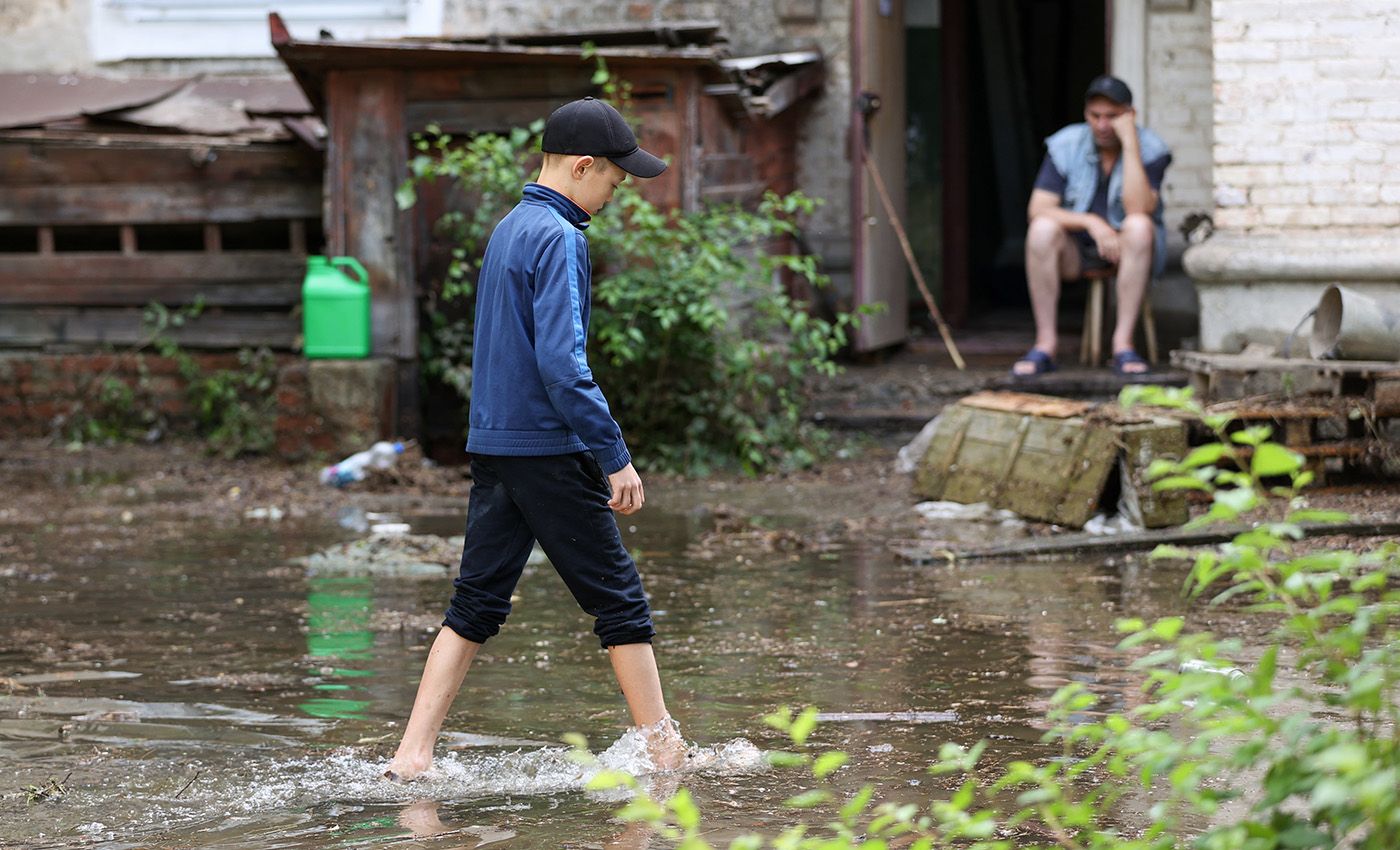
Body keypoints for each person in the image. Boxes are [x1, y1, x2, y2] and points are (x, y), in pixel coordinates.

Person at [384, 97, 684, 782]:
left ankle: (413, 754)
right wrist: (615, 457)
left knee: (476, 601)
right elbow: (562, 363)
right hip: (549, 449)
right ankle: (665, 751)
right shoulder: (560, 236)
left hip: (495, 445)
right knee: (620, 600)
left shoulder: (510, 228)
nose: (613, 195)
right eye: (613, 181)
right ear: (583, 167)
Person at [1012, 75, 1172, 377]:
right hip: (1076, 251)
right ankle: (1045, 344)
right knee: (1042, 229)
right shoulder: (1066, 145)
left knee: (1138, 225)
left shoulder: (1152, 149)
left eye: (1112, 117)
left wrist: (1130, 145)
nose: (1101, 125)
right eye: (1095, 116)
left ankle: (1123, 345)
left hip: (1130, 252)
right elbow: (1038, 209)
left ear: (1129, 114)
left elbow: (1139, 207)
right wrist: (1091, 222)